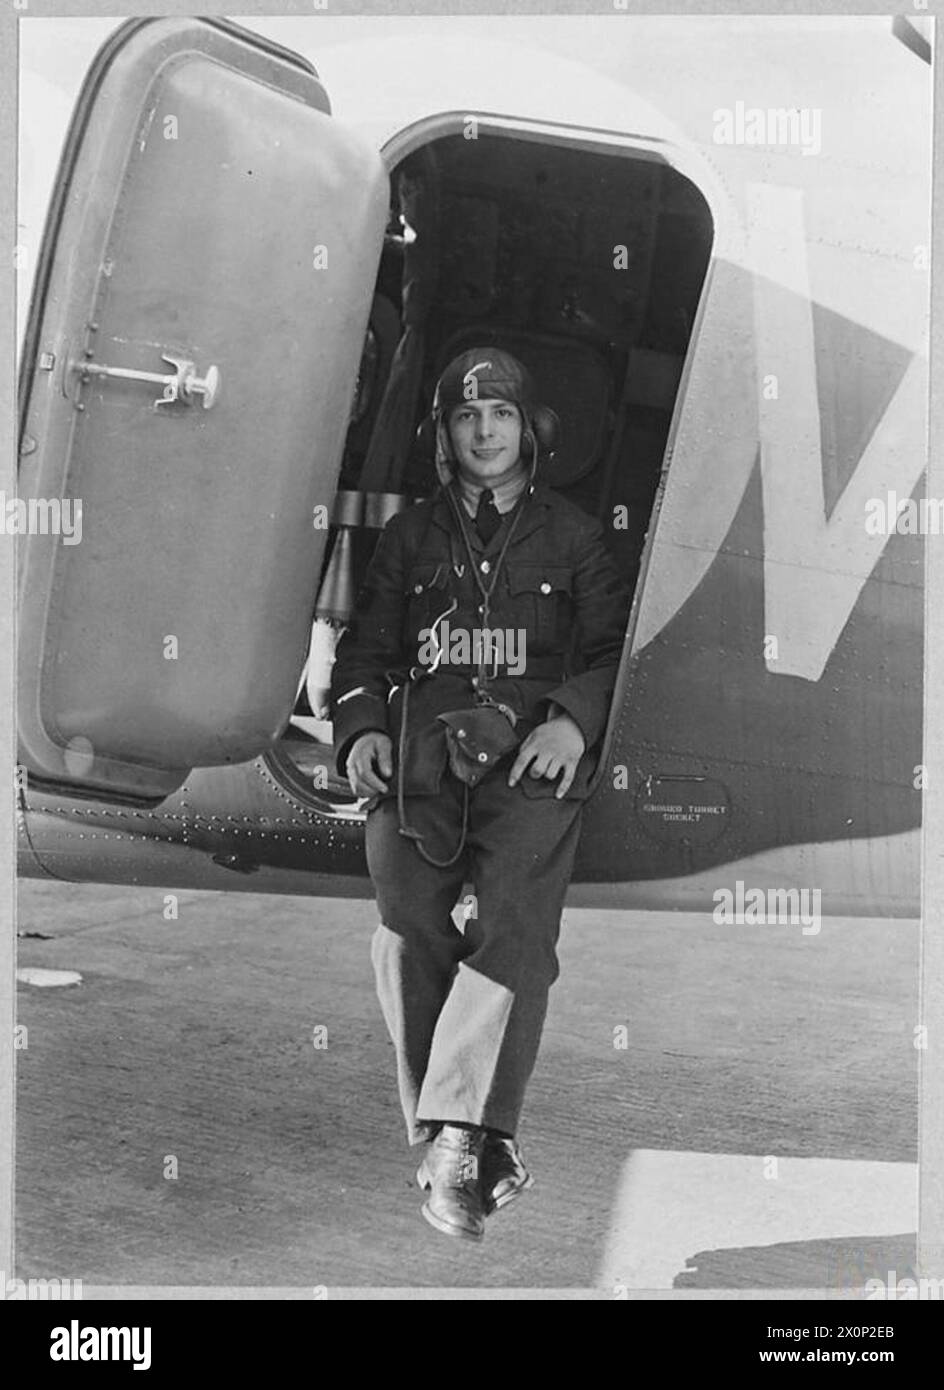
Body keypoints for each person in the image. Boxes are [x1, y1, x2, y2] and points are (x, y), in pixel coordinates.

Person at [330, 348, 628, 1242]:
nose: (484, 432)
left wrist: (571, 721)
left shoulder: (576, 537)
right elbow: (364, 651)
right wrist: (360, 729)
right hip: (421, 756)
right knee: (405, 924)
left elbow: (617, 651)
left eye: (499, 415)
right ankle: (467, 1139)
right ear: (444, 434)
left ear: (529, 430)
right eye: (466, 418)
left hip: (531, 760)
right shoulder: (410, 538)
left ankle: (457, 1141)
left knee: (515, 928)